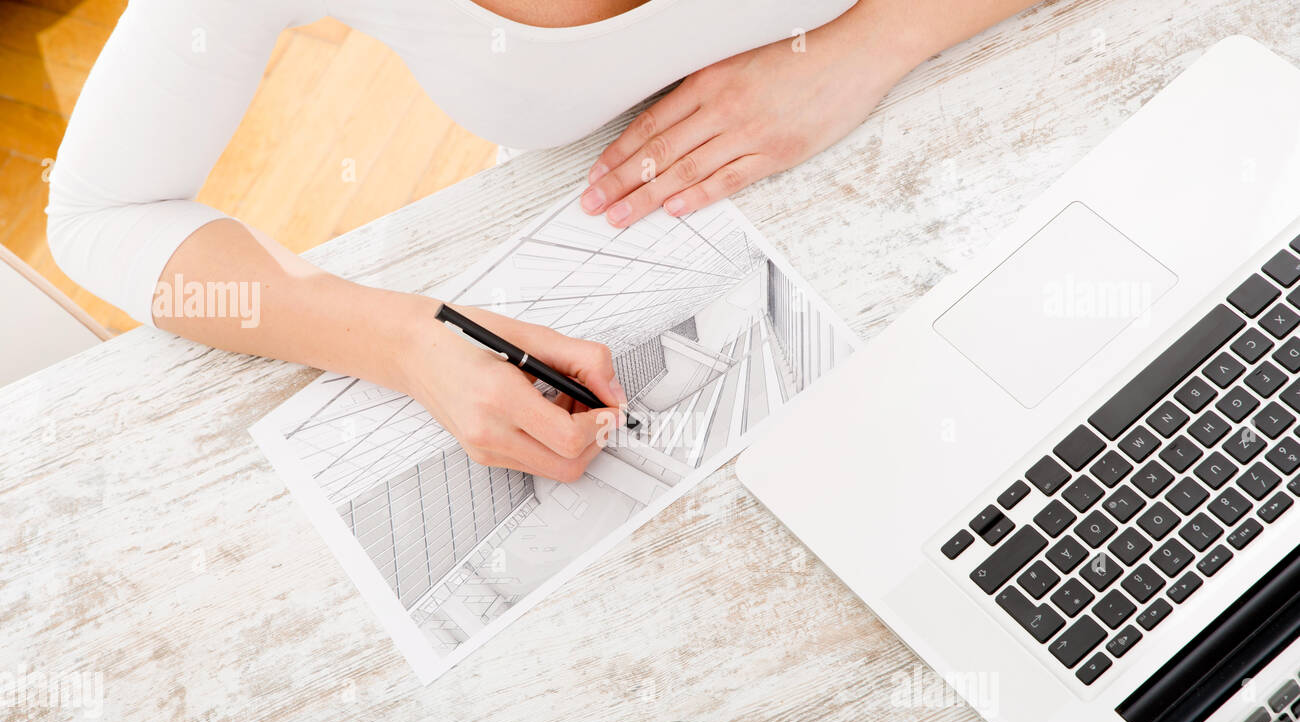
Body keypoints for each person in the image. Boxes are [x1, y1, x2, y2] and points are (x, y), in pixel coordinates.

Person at [48, 0, 1037, 482]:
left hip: (1000, 112)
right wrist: (407, 339)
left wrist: (866, 42)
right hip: (686, 240)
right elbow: (102, 217)